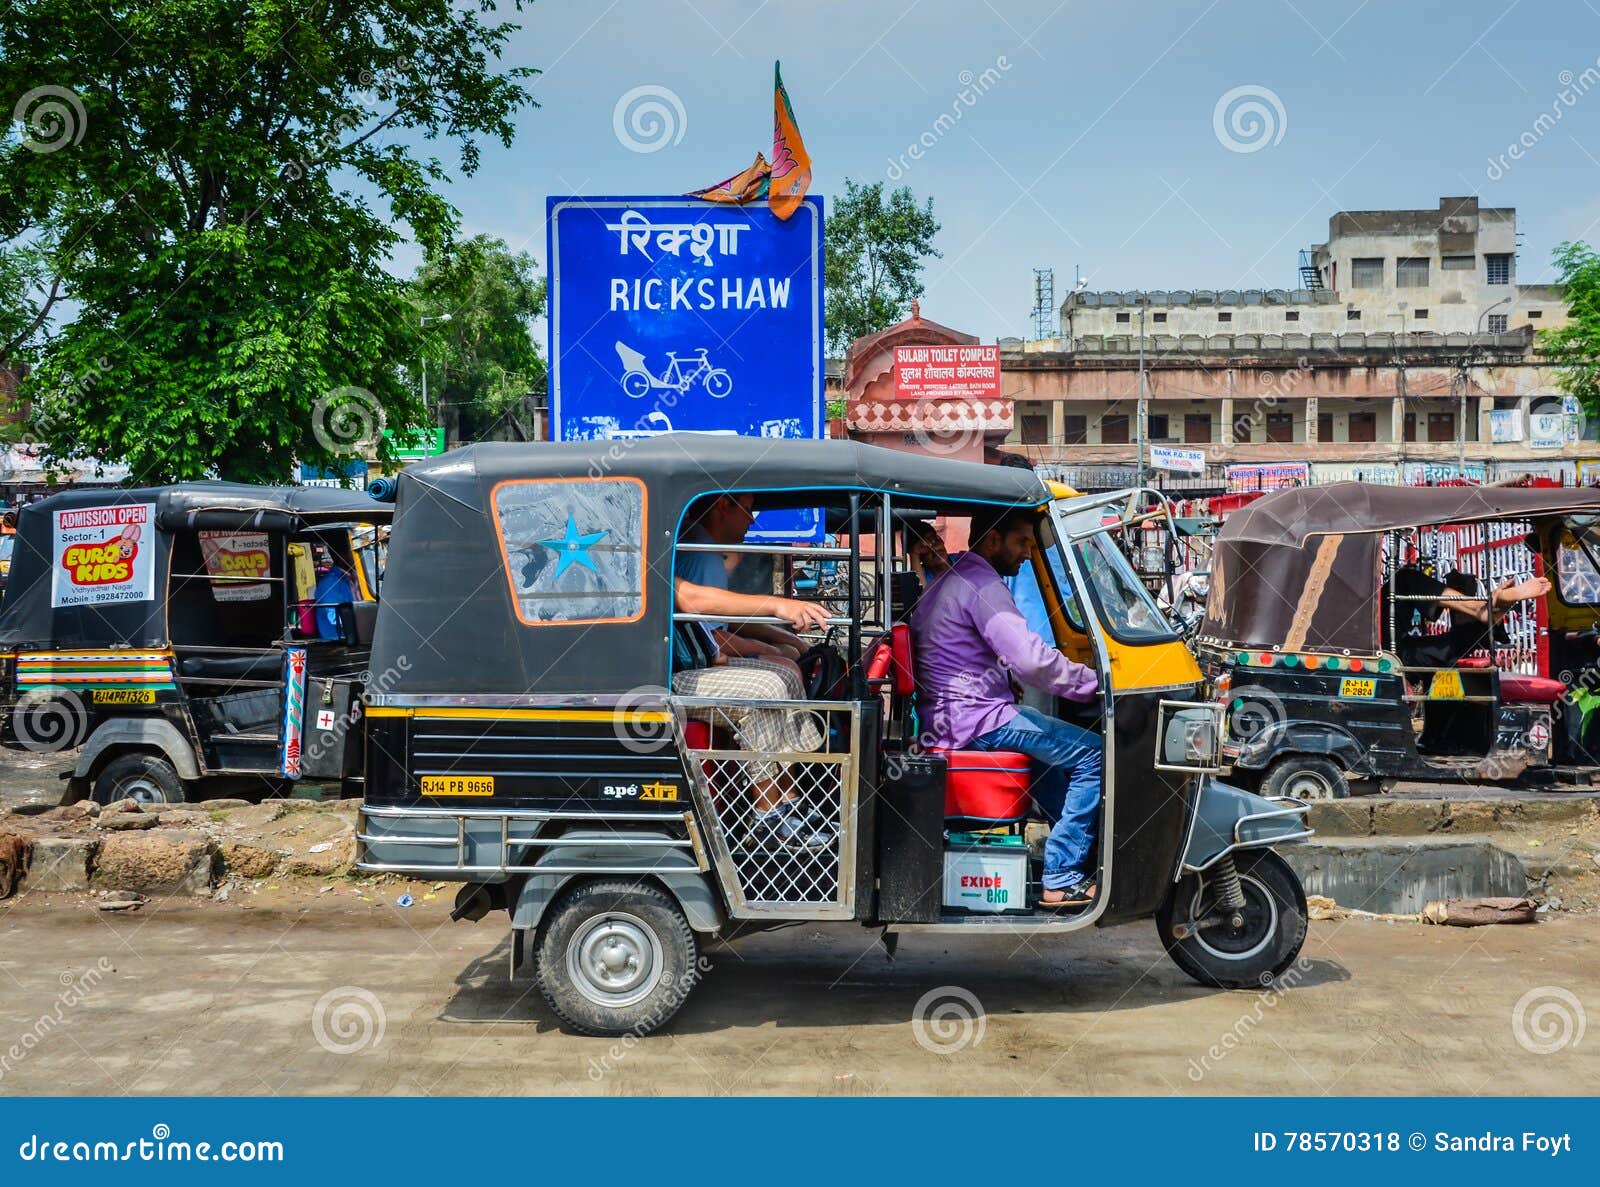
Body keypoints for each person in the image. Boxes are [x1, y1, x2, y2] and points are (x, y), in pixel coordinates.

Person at [911, 506, 1104, 907]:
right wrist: (1096, 685)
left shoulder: (952, 577)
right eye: (1021, 543)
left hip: (954, 718)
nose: (1027, 554)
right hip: (979, 720)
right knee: (1093, 754)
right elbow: (1032, 660)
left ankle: (1080, 858)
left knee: (1047, 759)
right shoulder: (983, 583)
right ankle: (1062, 874)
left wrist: (1006, 680)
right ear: (993, 540)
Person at [671, 576, 837, 850]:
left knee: (786, 674)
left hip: (687, 662)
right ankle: (766, 817)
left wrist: (712, 652)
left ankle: (789, 799)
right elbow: (693, 598)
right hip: (659, 679)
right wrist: (776, 606)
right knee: (765, 690)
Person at [677, 493, 808, 665]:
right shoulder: (702, 555)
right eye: (746, 509)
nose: (751, 520)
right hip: (693, 661)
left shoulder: (700, 543)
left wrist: (790, 639)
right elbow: (712, 638)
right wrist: (771, 650)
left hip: (699, 655)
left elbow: (724, 621)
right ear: (723, 505)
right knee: (786, 666)